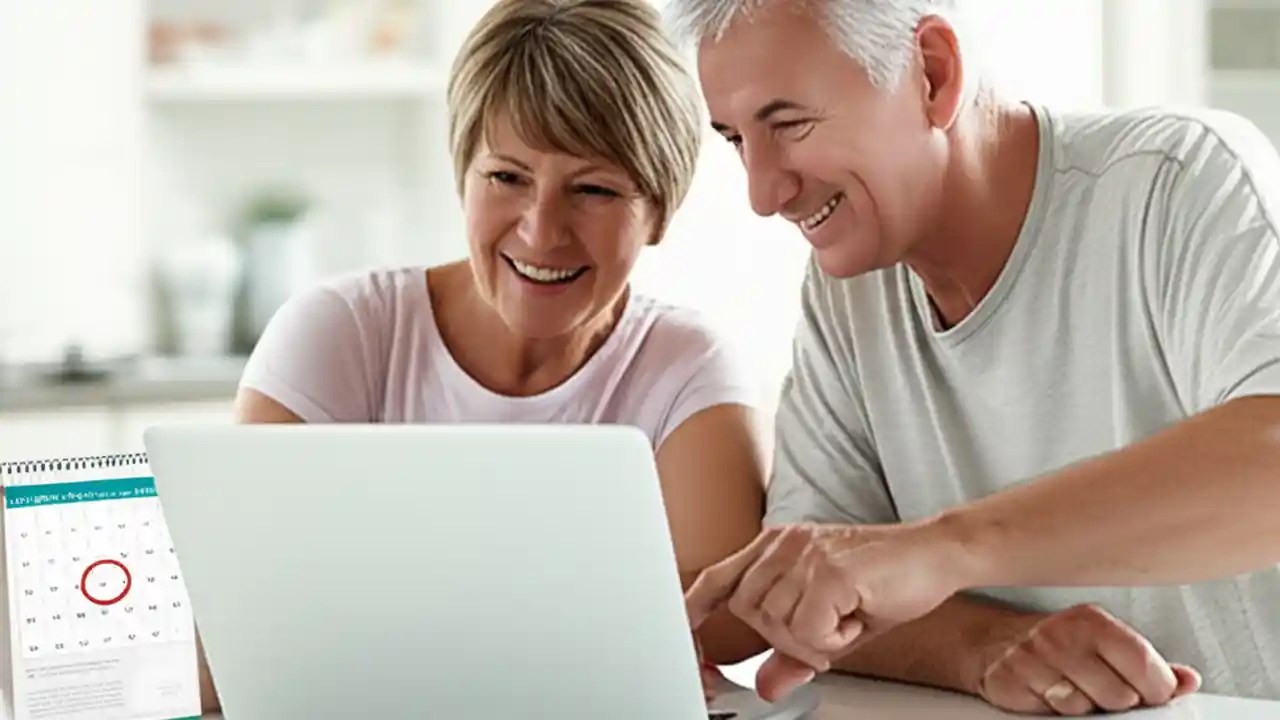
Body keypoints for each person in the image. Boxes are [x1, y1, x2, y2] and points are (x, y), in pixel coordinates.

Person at [667, 0, 1280, 715]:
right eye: (736, 139)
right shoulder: (851, 288)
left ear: (933, 73)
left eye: (791, 125)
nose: (763, 195)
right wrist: (984, 646)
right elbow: (821, 595)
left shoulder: (1179, 182)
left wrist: (944, 549)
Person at [194, 0, 769, 711]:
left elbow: (728, 620)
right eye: (507, 177)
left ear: (658, 211)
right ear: (464, 174)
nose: (541, 231)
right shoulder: (340, 334)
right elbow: (233, 631)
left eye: (592, 189)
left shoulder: (685, 366)